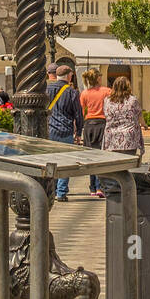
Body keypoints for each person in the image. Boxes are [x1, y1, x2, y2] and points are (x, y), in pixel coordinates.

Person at [48, 63, 83, 202]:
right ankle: (61, 192)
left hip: (50, 129)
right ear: (69, 76)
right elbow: (78, 114)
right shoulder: (71, 92)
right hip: (65, 130)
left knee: (51, 161)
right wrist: (79, 132)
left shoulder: (46, 89)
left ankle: (51, 189)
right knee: (65, 162)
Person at [79, 68, 112, 197]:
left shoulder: (84, 93)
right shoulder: (106, 91)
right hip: (102, 124)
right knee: (101, 156)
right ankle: (100, 186)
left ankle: (92, 187)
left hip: (89, 125)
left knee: (90, 156)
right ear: (98, 78)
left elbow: (81, 111)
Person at [102, 75, 143, 156]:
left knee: (114, 164)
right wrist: (144, 125)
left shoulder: (107, 100)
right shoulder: (133, 100)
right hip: (129, 137)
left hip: (112, 137)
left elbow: (106, 114)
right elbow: (139, 114)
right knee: (128, 163)